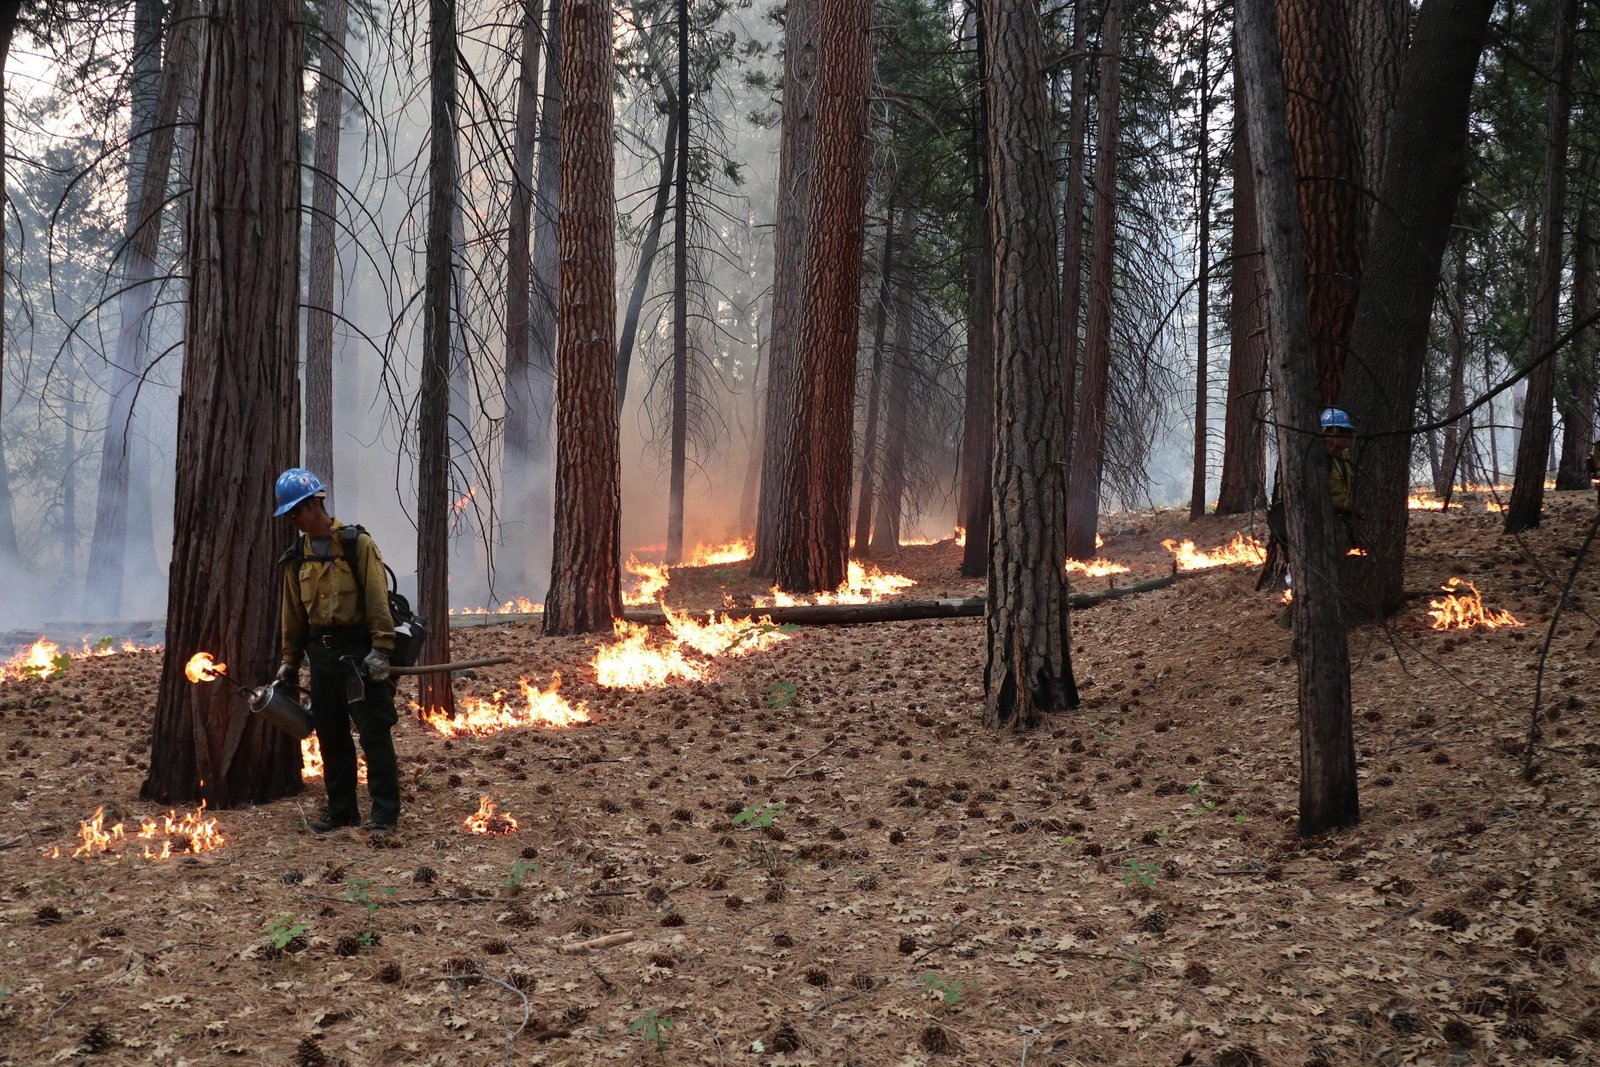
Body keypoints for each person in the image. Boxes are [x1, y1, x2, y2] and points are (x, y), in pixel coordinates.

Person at [274, 468, 401, 835]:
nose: (294, 521)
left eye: (297, 512)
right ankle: (342, 810)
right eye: (290, 515)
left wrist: (381, 649)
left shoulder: (357, 545)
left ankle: (385, 814)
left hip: (359, 653)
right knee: (331, 735)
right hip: (322, 656)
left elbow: (378, 599)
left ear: (316, 504)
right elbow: (293, 614)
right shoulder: (296, 557)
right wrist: (290, 661)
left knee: (374, 731)